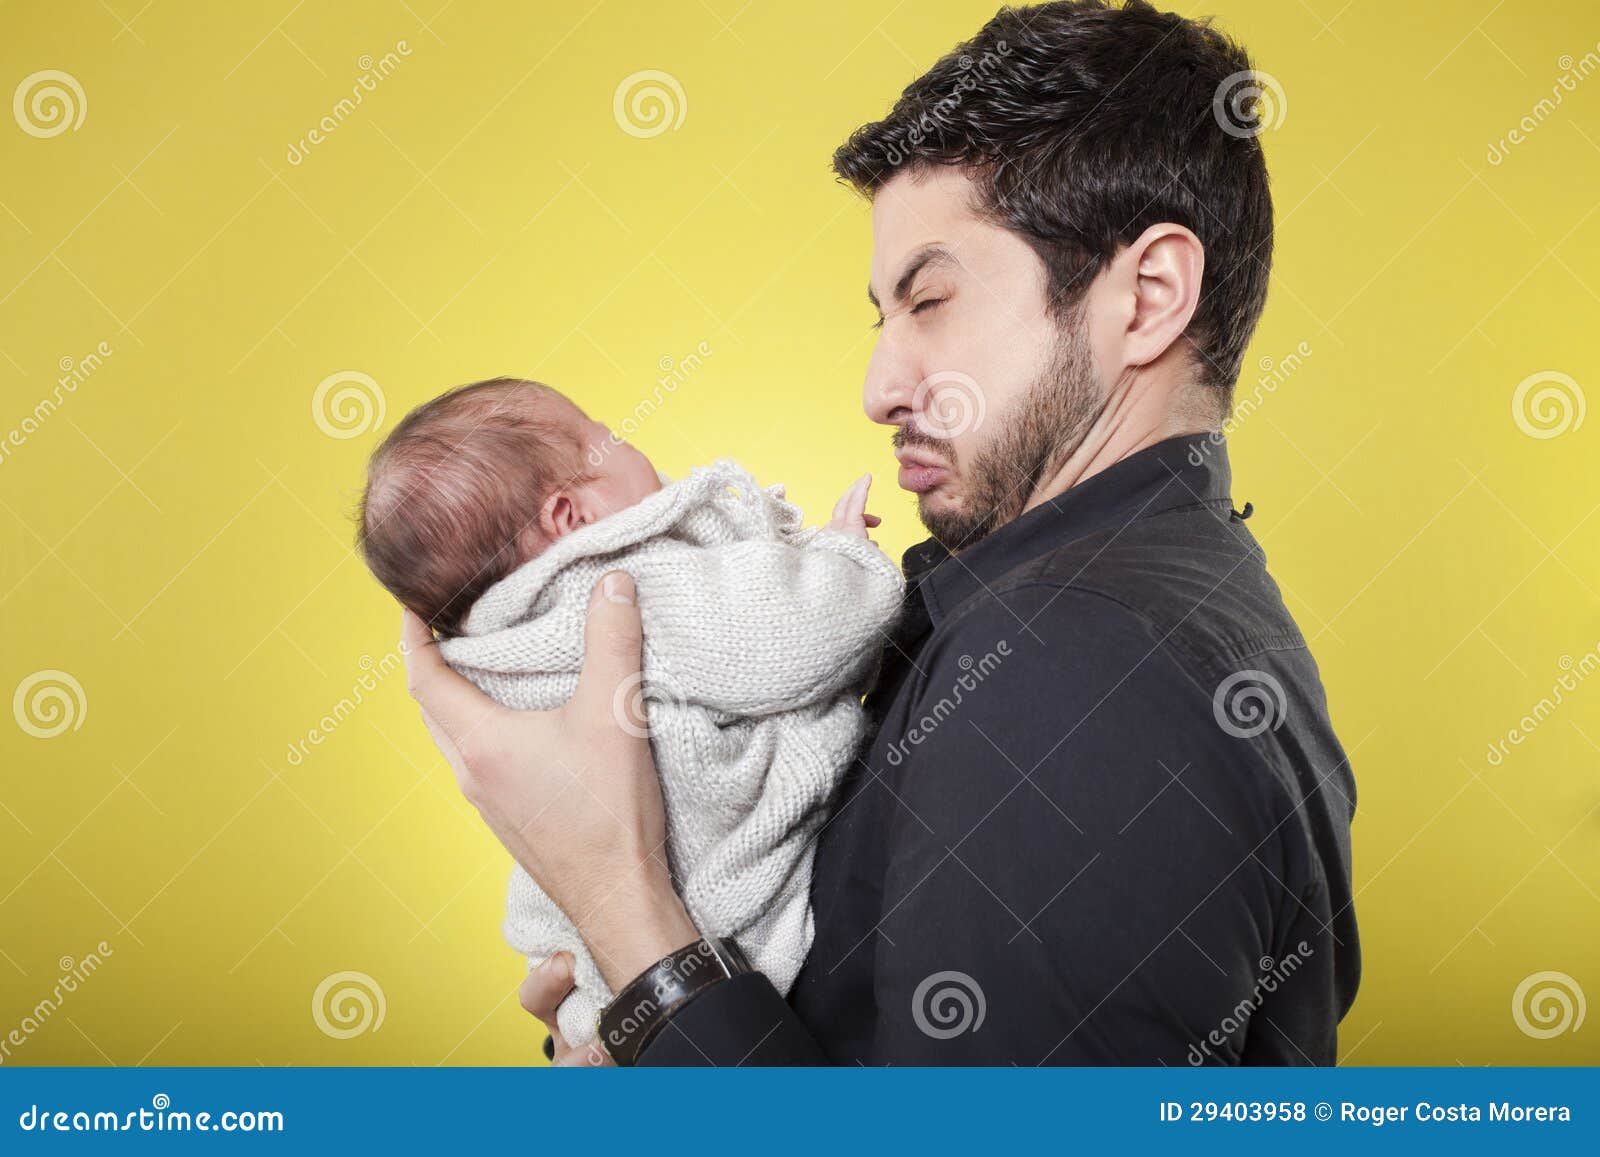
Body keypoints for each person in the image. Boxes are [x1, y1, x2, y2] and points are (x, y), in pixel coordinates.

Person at [401, 0, 1359, 1066]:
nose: (877, 385)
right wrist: (645, 1018)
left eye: (932, 301)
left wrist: (623, 914)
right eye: (880, 316)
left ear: (1145, 298)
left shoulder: (1078, 668)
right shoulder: (1111, 605)